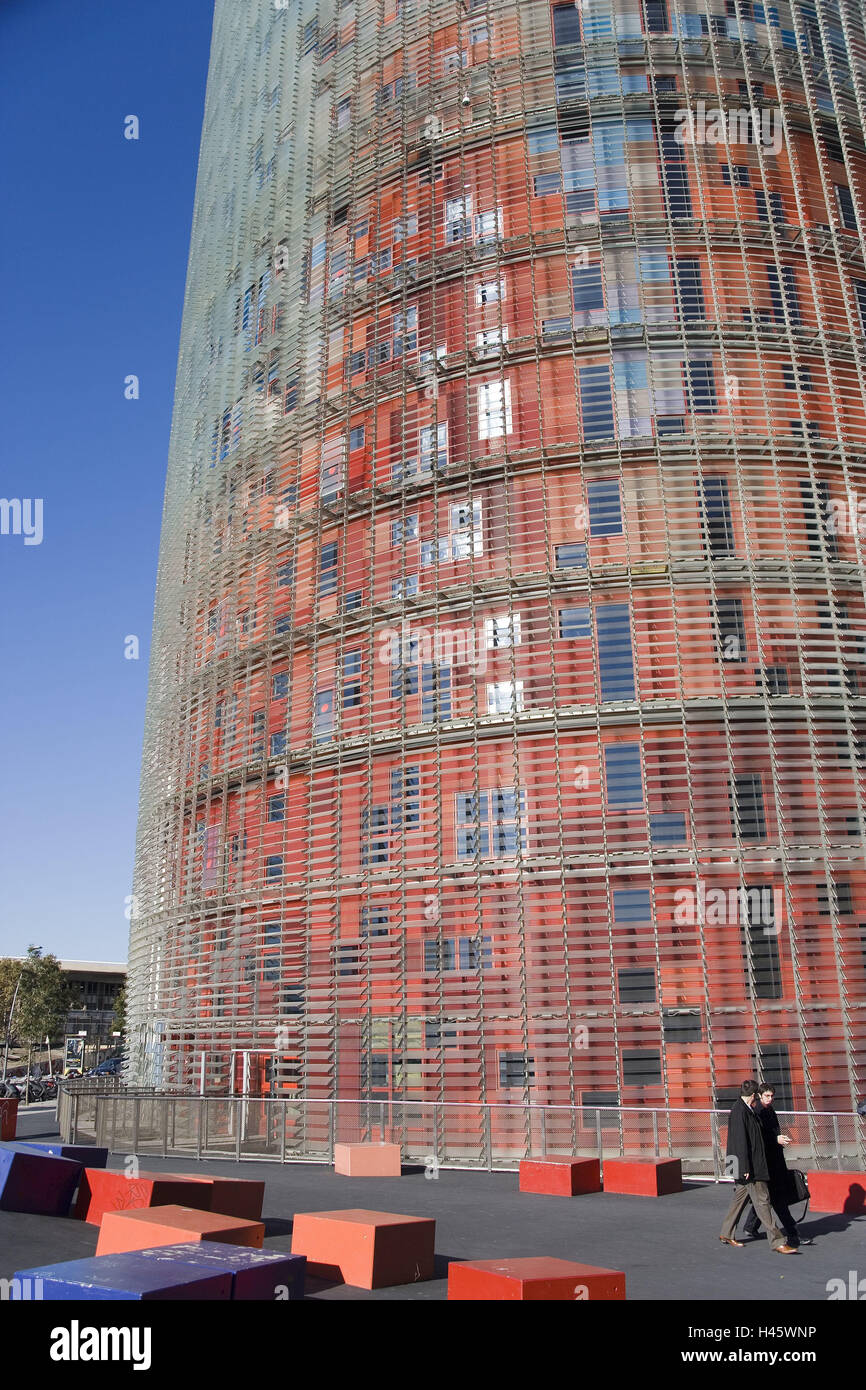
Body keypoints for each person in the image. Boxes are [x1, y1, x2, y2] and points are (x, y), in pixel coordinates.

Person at [719, 1079, 797, 1254]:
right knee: (763, 1202)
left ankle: (726, 1233)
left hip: (749, 1166)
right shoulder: (742, 1112)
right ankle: (777, 1242)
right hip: (752, 1168)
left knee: (739, 1200)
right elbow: (739, 1142)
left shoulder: (744, 1109)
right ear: (754, 1095)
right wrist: (744, 1168)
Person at [740, 1084, 805, 1247]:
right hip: (768, 1163)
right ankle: (792, 1233)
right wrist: (776, 1140)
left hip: (773, 1161)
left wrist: (779, 1139)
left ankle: (750, 1226)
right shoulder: (759, 1112)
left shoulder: (768, 1110)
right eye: (767, 1096)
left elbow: (771, 1132)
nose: (770, 1099)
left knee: (764, 1198)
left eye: (771, 1096)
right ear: (759, 1096)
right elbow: (759, 1138)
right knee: (778, 1200)